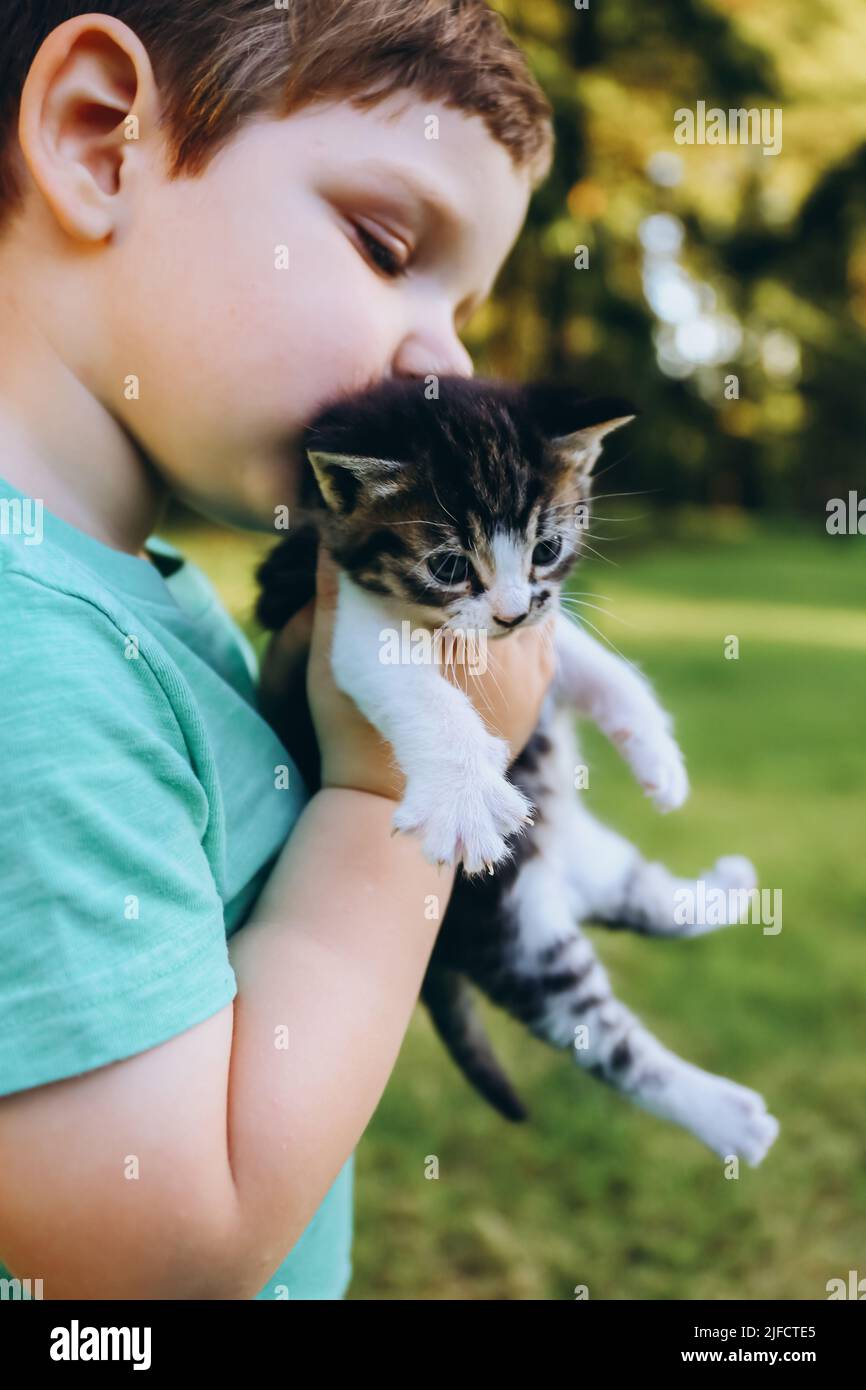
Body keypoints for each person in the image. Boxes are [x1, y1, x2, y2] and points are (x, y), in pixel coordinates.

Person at [0, 0, 556, 1299]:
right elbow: (163, 1249)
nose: (447, 357)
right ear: (100, 143)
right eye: (384, 244)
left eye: (466, 307)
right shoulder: (30, 659)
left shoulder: (137, 594)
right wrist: (389, 793)